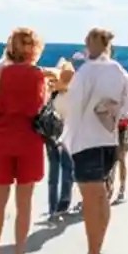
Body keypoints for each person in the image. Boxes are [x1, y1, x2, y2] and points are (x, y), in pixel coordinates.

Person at [64, 28, 128, 254]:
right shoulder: (118, 70)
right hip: (108, 140)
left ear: (94, 44)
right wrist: (110, 110)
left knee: (91, 200)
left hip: (86, 141)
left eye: (87, 43)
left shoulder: (87, 71)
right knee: (101, 197)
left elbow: (71, 106)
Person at [0, 28, 48, 254]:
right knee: (24, 203)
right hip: (28, 141)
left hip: (0, 139)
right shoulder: (38, 74)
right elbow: (40, 106)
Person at [45, 61, 75, 219]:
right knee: (67, 170)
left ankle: (52, 206)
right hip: (67, 137)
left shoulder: (51, 95)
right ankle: (63, 204)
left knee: (54, 171)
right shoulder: (73, 95)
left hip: (51, 136)